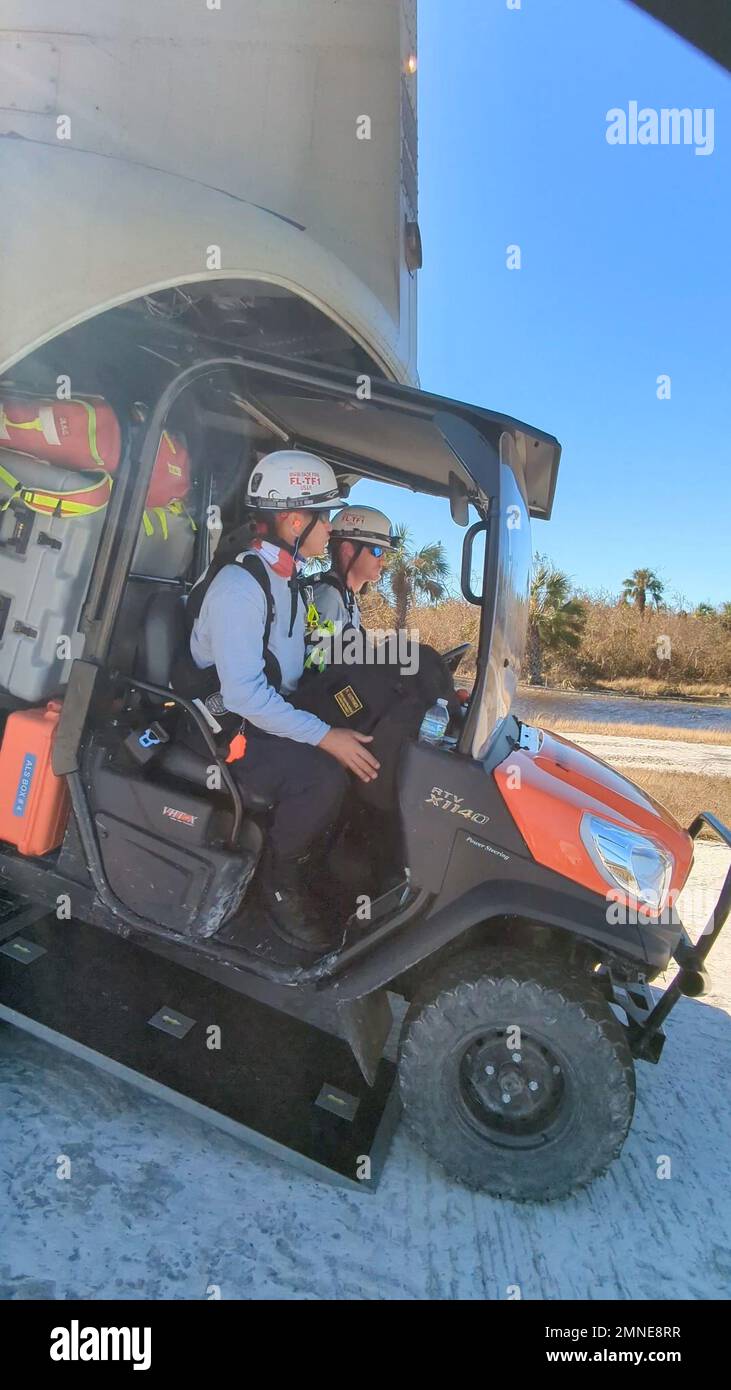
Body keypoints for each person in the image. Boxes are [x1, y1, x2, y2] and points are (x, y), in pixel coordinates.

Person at [179, 450, 380, 951]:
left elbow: (298, 667)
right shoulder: (240, 586)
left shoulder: (287, 584)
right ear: (294, 520)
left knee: (360, 736)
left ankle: (322, 861)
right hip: (218, 728)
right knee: (324, 772)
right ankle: (279, 881)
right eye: (324, 516)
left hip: (257, 718)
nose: (330, 529)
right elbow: (244, 693)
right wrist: (325, 737)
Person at [311, 505, 398, 637]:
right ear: (347, 550)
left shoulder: (346, 599)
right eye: (377, 551)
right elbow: (317, 656)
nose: (383, 561)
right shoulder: (328, 600)